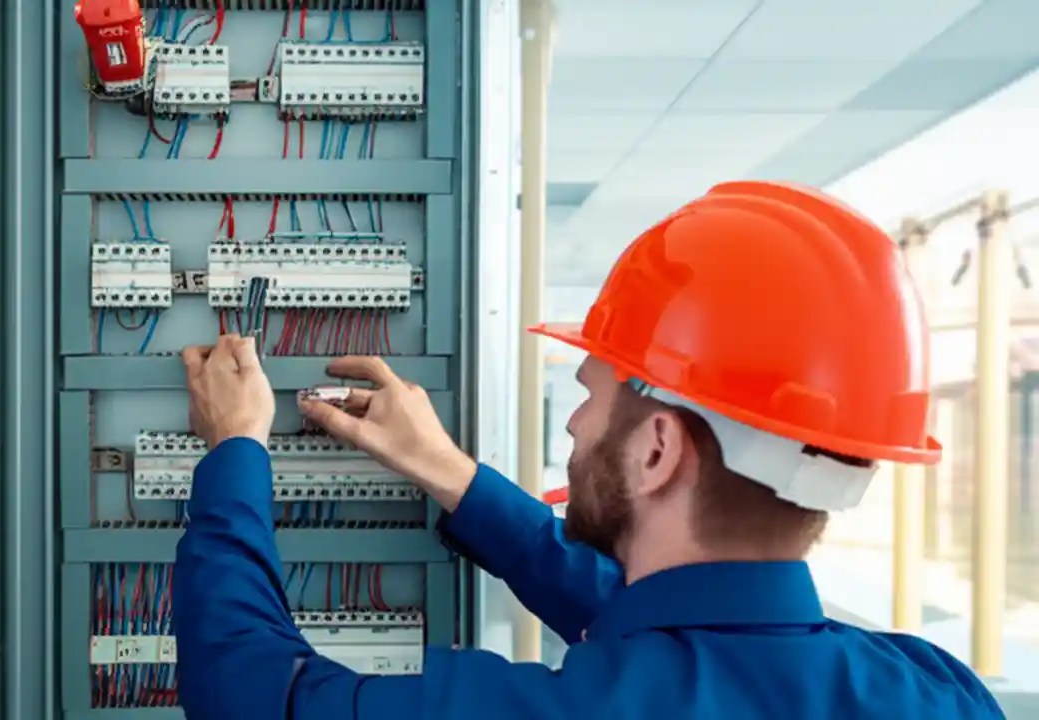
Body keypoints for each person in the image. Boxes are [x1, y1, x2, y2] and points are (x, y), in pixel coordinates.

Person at [173, 181, 1004, 719]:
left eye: (591, 397)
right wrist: (452, 475)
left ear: (656, 449)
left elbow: (248, 692)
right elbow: (676, 636)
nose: (571, 426)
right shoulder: (941, 692)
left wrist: (236, 447)